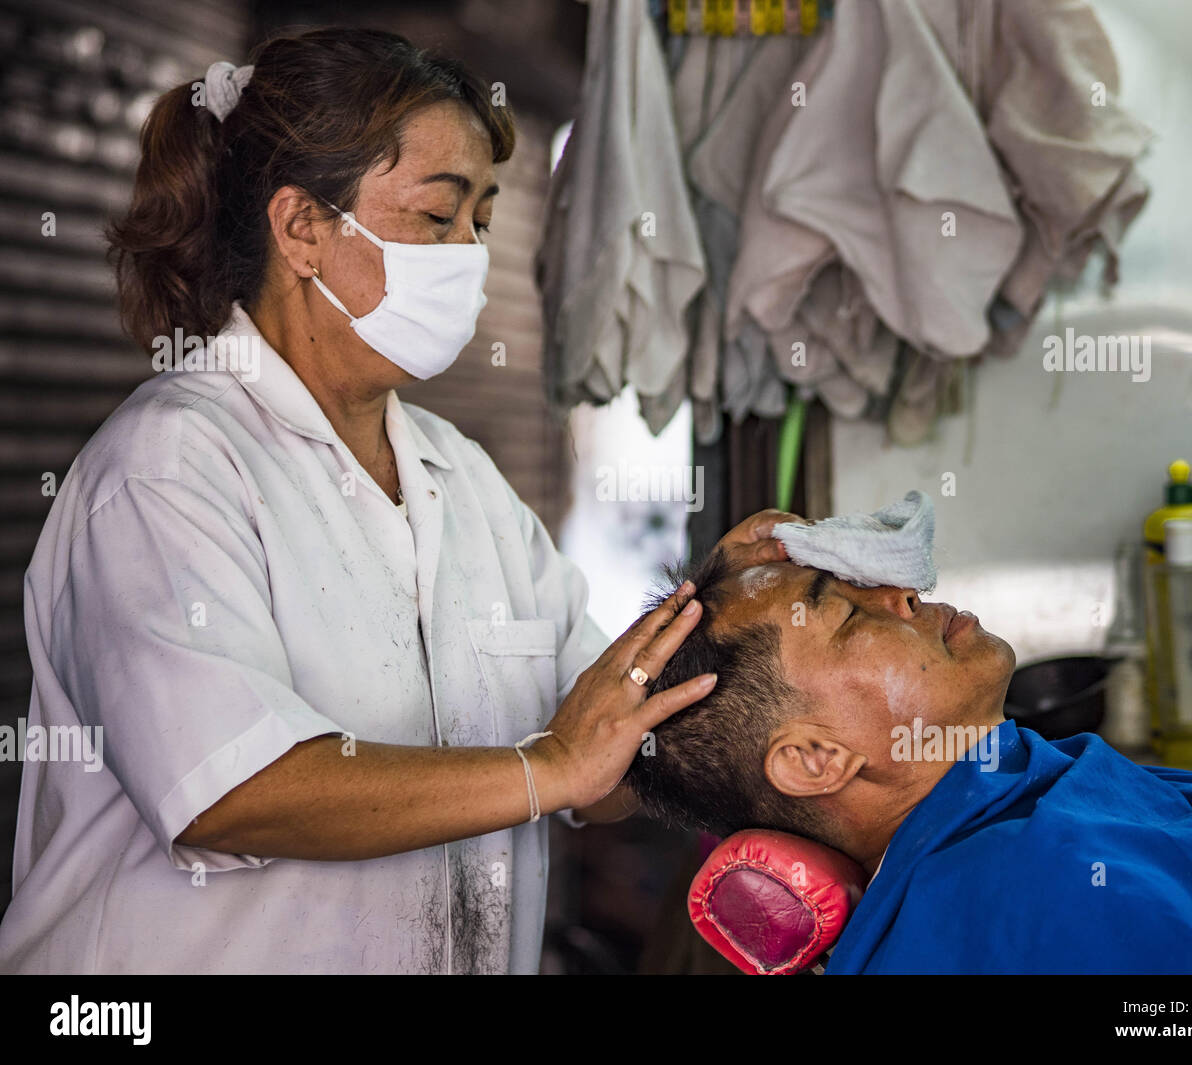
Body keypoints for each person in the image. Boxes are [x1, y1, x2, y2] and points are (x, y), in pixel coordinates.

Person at [0, 26, 795, 974]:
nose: (469, 253)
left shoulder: (460, 479)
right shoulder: (167, 467)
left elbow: (610, 750)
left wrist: (725, 608)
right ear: (302, 228)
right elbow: (229, 790)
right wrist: (543, 770)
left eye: (483, 222)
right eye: (437, 216)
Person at [623, 549, 1192, 975]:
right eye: (848, 614)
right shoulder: (1024, 895)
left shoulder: (1029, 788)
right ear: (817, 758)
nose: (904, 595)